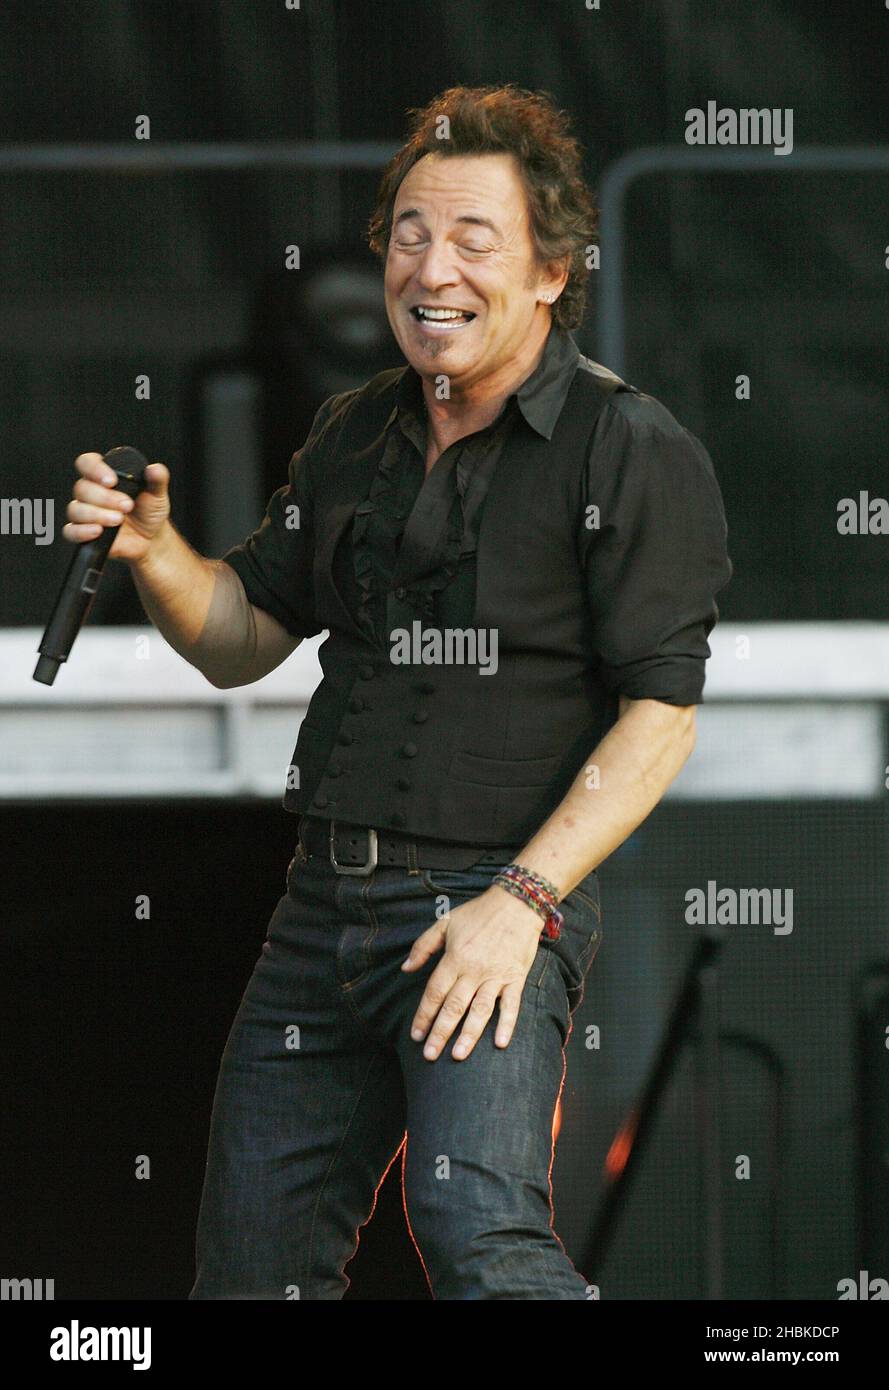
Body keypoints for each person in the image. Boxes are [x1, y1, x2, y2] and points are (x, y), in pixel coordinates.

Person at [63, 84, 732, 1300]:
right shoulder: (354, 431)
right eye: (409, 233)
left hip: (489, 902)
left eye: (473, 237)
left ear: (550, 273)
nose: (433, 265)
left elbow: (662, 714)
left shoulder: (628, 448)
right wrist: (155, 550)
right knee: (252, 1264)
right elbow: (244, 636)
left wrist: (519, 901)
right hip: (323, 904)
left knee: (476, 1232)